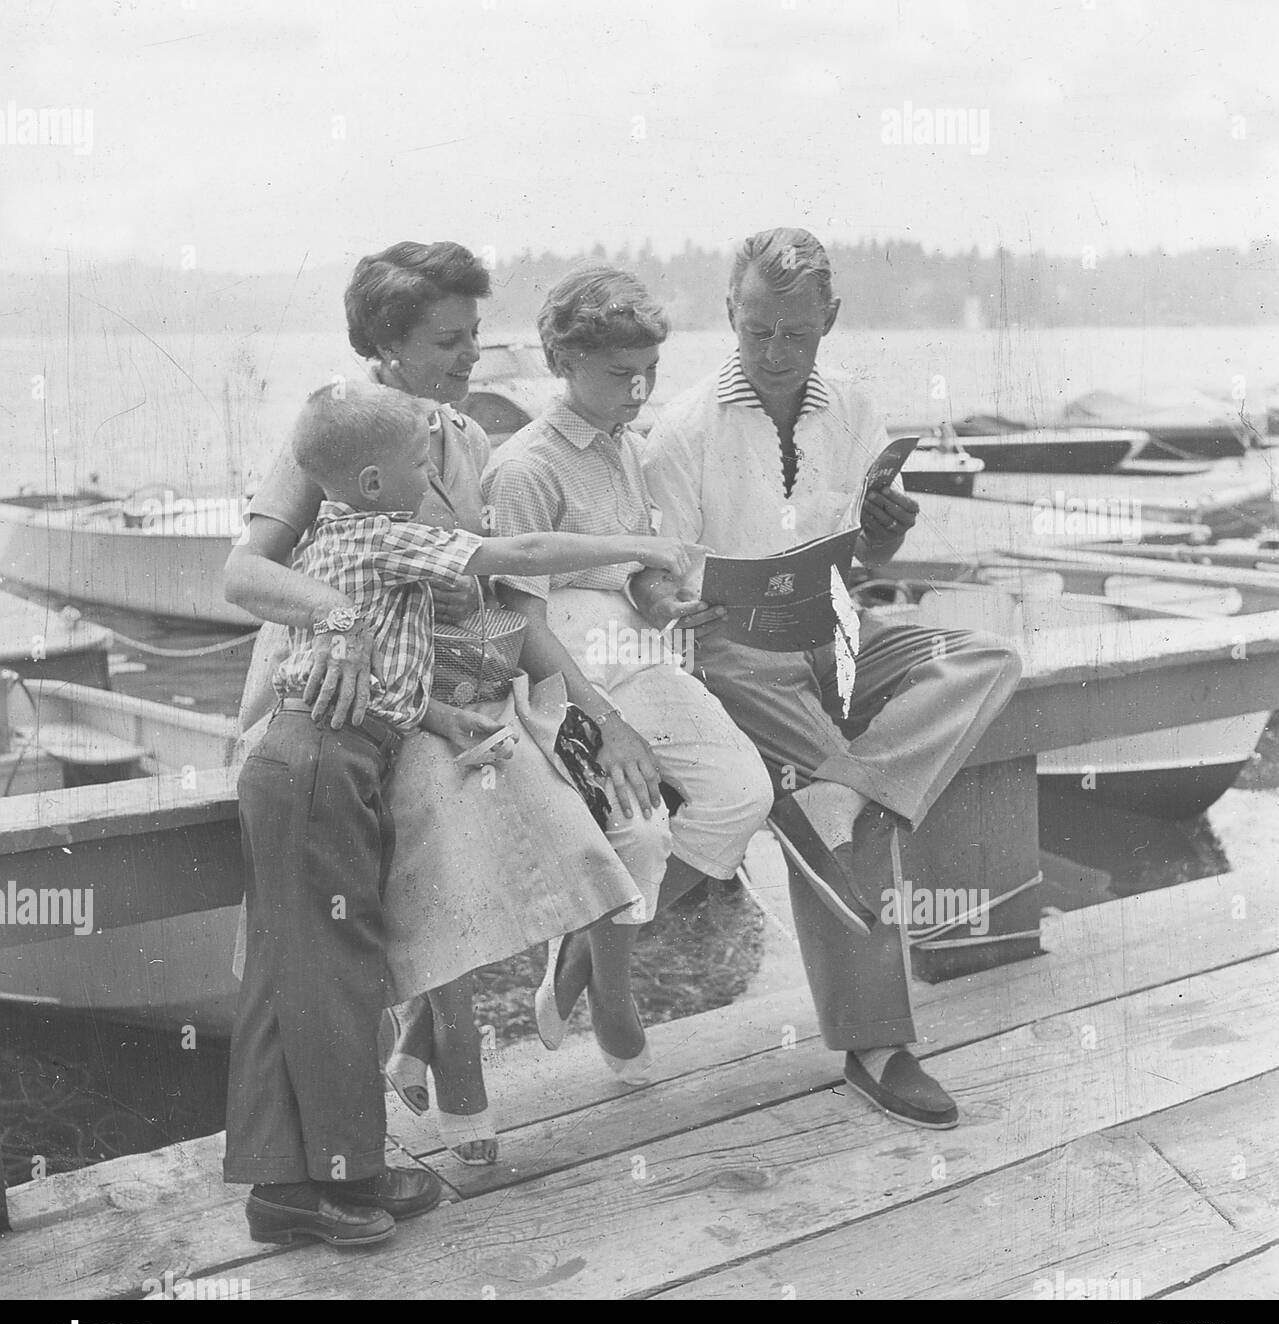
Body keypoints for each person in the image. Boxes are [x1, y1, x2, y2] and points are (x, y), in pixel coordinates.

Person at [226, 240, 668, 1166]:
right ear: (385, 342)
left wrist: (585, 697)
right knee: (445, 819)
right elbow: (244, 572)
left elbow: (495, 590)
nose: (471, 356)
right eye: (448, 339)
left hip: (441, 683)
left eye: (475, 334)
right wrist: (340, 616)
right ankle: (457, 1069)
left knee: (573, 813)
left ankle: (435, 1041)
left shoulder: (463, 440)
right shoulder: (340, 433)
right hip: (338, 694)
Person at [634, 227, 1024, 1130]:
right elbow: (653, 571)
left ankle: (849, 786)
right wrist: (671, 605)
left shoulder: (851, 408)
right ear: (729, 313)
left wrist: (886, 528)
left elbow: (862, 556)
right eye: (757, 330)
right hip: (741, 656)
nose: (774, 353)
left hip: (837, 631)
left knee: (985, 658)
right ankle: (878, 1047)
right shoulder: (682, 431)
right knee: (846, 820)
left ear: (829, 322)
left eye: (796, 335)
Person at [482, 266, 775, 1079]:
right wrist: (605, 725)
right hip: (559, 673)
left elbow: (639, 577)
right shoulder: (523, 469)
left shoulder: (629, 450)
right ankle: (612, 989)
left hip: (633, 656)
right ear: (561, 362)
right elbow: (517, 618)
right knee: (641, 831)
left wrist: (674, 605)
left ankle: (588, 950)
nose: (639, 389)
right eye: (619, 373)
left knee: (740, 794)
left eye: (649, 371)